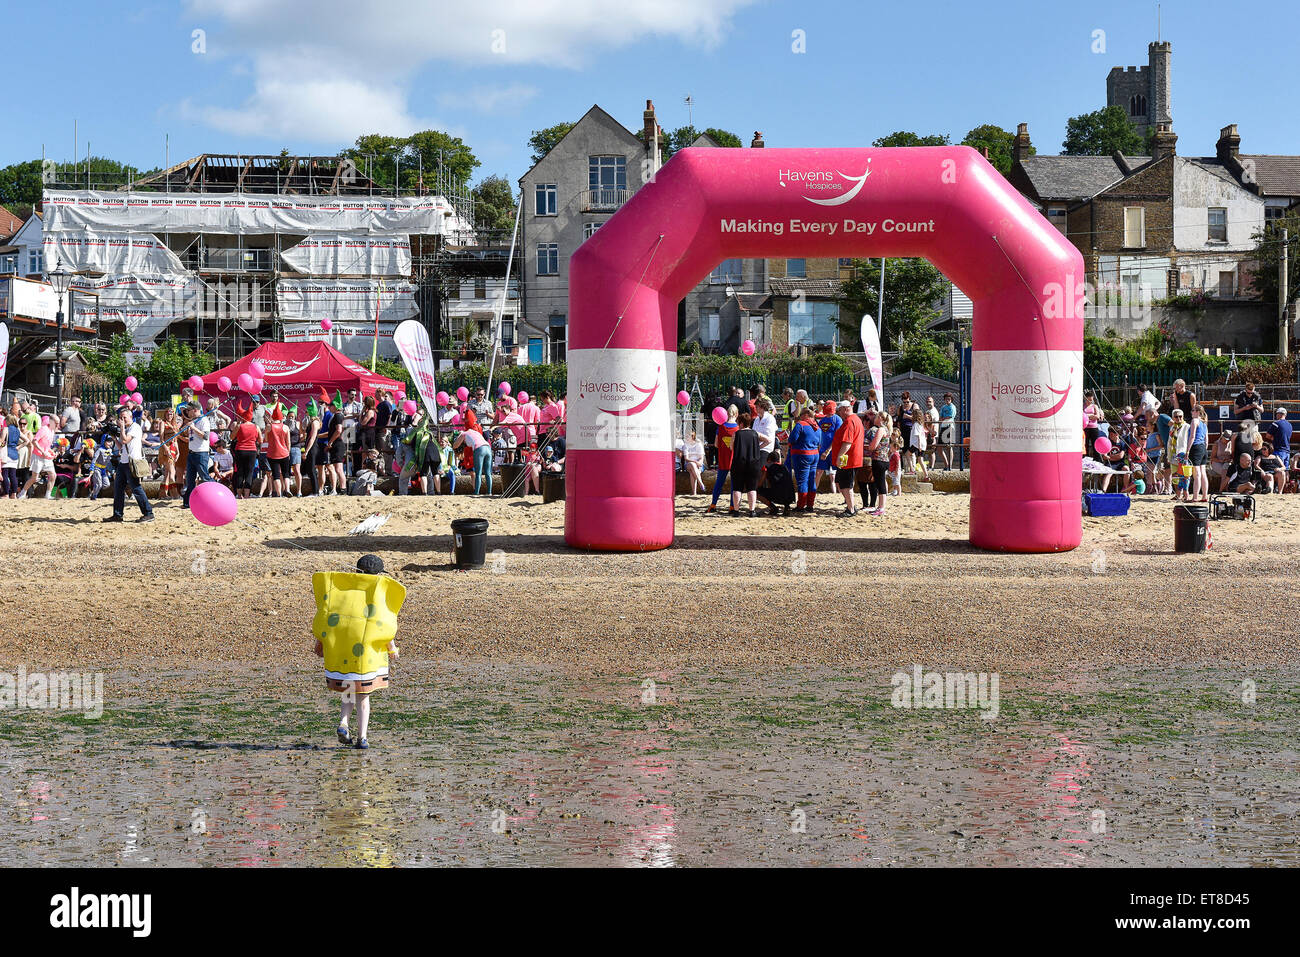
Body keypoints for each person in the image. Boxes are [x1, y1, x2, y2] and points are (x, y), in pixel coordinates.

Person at [312, 553, 405, 750]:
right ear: (379, 575)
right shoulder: (376, 594)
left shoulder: (342, 592)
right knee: (363, 698)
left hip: (342, 654)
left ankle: (344, 724)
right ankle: (362, 738)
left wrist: (320, 644)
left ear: (356, 572)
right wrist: (392, 648)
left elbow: (328, 617)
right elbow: (382, 626)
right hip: (366, 659)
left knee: (347, 692)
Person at [105, 408, 154, 523]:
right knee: (118, 488)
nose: (122, 420)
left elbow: (126, 440)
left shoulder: (135, 428)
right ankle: (117, 514)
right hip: (124, 462)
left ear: (131, 417)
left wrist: (121, 428)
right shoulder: (127, 428)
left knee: (136, 488)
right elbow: (121, 446)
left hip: (132, 462)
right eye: (120, 418)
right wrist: (113, 438)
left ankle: (148, 513)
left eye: (124, 417)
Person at [829, 399, 864, 516]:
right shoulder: (856, 419)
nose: (839, 413)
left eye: (840, 410)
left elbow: (847, 442)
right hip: (851, 458)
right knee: (841, 483)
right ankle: (851, 506)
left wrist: (839, 456)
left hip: (848, 460)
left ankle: (851, 509)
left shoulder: (849, 421)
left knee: (846, 485)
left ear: (845, 409)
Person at [729, 411, 764, 517]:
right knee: (752, 488)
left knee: (737, 488)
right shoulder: (755, 433)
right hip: (753, 463)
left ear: (741, 423)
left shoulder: (736, 434)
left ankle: (736, 511)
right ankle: (752, 511)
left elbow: (731, 447)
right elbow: (768, 440)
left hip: (739, 462)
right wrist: (758, 448)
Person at [706, 406, 740, 513]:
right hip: (734, 460)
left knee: (719, 483)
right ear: (736, 414)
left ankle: (713, 504)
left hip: (723, 459)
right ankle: (732, 506)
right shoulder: (738, 429)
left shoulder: (720, 428)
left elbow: (716, 444)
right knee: (734, 485)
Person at [786, 408, 820, 513]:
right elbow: (819, 442)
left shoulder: (801, 424)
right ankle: (810, 505)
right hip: (814, 454)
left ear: (805, 415)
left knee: (802, 481)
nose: (800, 416)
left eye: (801, 414)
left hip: (802, 455)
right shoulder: (817, 427)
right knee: (811, 480)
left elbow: (792, 439)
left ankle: (801, 505)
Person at [18, 415, 57, 500]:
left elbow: (46, 445)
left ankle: (48, 495)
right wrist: (42, 451)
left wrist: (51, 451)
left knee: (53, 475)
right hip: (38, 456)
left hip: (46, 456)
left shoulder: (52, 431)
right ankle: (22, 492)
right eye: (56, 423)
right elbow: (34, 441)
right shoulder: (43, 429)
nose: (58, 425)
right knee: (34, 478)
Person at [181, 403, 212, 509]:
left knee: (205, 477)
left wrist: (193, 428)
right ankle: (187, 502)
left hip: (201, 453)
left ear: (194, 410)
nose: (187, 412)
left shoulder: (204, 420)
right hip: (191, 453)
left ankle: (216, 492)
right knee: (190, 480)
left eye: (188, 410)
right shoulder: (193, 421)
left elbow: (206, 436)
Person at [864, 411, 891, 516]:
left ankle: (881, 507)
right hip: (883, 459)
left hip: (878, 459)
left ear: (881, 419)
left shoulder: (880, 429)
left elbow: (872, 446)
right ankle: (880, 506)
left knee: (880, 485)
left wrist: (867, 446)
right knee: (881, 483)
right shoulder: (887, 430)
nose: (875, 418)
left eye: (878, 416)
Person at [232, 406, 261, 500]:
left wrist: (237, 427)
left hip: (240, 450)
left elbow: (232, 437)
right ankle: (247, 494)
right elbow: (260, 440)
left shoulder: (239, 426)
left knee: (240, 472)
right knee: (249, 472)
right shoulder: (256, 427)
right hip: (252, 450)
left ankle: (239, 495)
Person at [453, 427, 493, 495]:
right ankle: (489, 492)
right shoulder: (476, 433)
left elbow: (455, 446)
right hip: (488, 448)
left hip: (479, 449)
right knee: (488, 473)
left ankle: (476, 492)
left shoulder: (463, 434)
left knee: (478, 473)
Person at [756, 450, 796, 516]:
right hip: (790, 497)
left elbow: (763, 484)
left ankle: (773, 507)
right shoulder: (784, 467)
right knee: (784, 489)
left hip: (778, 496)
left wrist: (764, 473)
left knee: (757, 492)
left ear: (769, 460)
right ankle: (786, 507)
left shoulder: (770, 468)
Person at [265, 406, 292, 497]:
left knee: (276, 474)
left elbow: (266, 439)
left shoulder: (269, 427)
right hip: (284, 453)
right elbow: (288, 442)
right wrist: (288, 452)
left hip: (272, 454)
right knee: (286, 473)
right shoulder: (285, 427)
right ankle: (287, 489)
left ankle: (279, 494)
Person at [1187, 405, 1209, 502]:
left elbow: (1192, 436)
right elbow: (1206, 439)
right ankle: (1204, 496)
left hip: (1196, 447)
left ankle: (1195, 496)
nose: (1191, 412)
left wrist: (1187, 450)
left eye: (1193, 410)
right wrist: (1204, 448)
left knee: (1197, 474)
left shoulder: (1195, 421)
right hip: (1203, 447)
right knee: (1203, 473)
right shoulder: (1204, 422)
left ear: (1198, 412)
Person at [1267, 408, 1292, 476]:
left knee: (1279, 470)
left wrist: (1274, 438)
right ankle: (1286, 485)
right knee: (1286, 470)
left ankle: (1277, 486)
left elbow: (1268, 436)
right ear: (1285, 415)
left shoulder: (1275, 424)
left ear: (1278, 414)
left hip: (1278, 450)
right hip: (1287, 451)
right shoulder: (1290, 425)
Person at [679, 430, 705, 495]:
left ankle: (694, 492)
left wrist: (700, 463)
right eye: (686, 436)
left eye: (688, 436)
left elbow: (701, 457)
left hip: (698, 464)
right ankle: (700, 482)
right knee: (692, 465)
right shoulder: (685, 445)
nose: (686, 437)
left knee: (692, 472)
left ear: (692, 437)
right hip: (689, 464)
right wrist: (695, 462)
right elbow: (686, 459)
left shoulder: (698, 444)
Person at [1210, 427, 1236, 493]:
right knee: (1225, 471)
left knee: (1226, 469)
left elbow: (1232, 455)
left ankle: (1222, 489)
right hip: (1217, 462)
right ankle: (1226, 489)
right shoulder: (1217, 444)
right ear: (1222, 437)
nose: (1227, 441)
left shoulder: (1230, 443)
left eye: (1228, 439)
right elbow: (1212, 458)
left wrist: (1229, 459)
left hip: (1227, 462)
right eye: (1226, 439)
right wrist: (1221, 461)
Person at [936, 393, 957, 469]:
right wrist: (943, 418)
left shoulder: (953, 407)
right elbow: (940, 416)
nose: (947, 400)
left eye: (949, 399)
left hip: (949, 426)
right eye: (946, 399)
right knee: (939, 447)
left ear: (951, 400)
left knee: (949, 447)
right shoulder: (943, 407)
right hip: (943, 426)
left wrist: (943, 418)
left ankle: (950, 466)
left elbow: (951, 416)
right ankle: (946, 464)